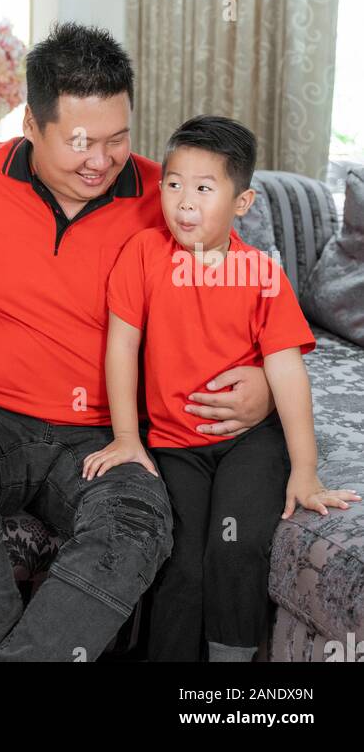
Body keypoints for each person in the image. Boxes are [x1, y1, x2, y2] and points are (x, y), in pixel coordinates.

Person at [0, 23, 276, 663]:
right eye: (79, 143)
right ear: (31, 126)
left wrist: (263, 382)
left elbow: (245, 299)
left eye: (117, 139)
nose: (101, 160)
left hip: (101, 433)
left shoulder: (170, 198)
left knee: (139, 524)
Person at [86, 114, 361, 662]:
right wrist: (125, 436)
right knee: (181, 560)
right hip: (174, 445)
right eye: (174, 184)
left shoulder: (262, 274)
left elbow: (287, 373)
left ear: (243, 203)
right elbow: (122, 347)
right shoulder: (142, 255)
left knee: (234, 547)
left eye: (204, 188)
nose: (184, 202)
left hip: (249, 443)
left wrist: (305, 470)